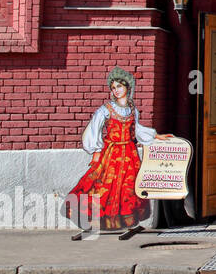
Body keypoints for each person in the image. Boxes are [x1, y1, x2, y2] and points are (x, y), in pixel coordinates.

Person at [65, 67, 173, 240]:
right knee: (101, 186)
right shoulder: (106, 109)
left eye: (119, 87)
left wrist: (157, 136)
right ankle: (91, 223)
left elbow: (137, 130)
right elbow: (94, 129)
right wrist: (96, 151)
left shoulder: (132, 110)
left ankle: (130, 223)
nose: (116, 90)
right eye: (114, 88)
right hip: (112, 153)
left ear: (127, 88)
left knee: (128, 189)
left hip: (129, 154)